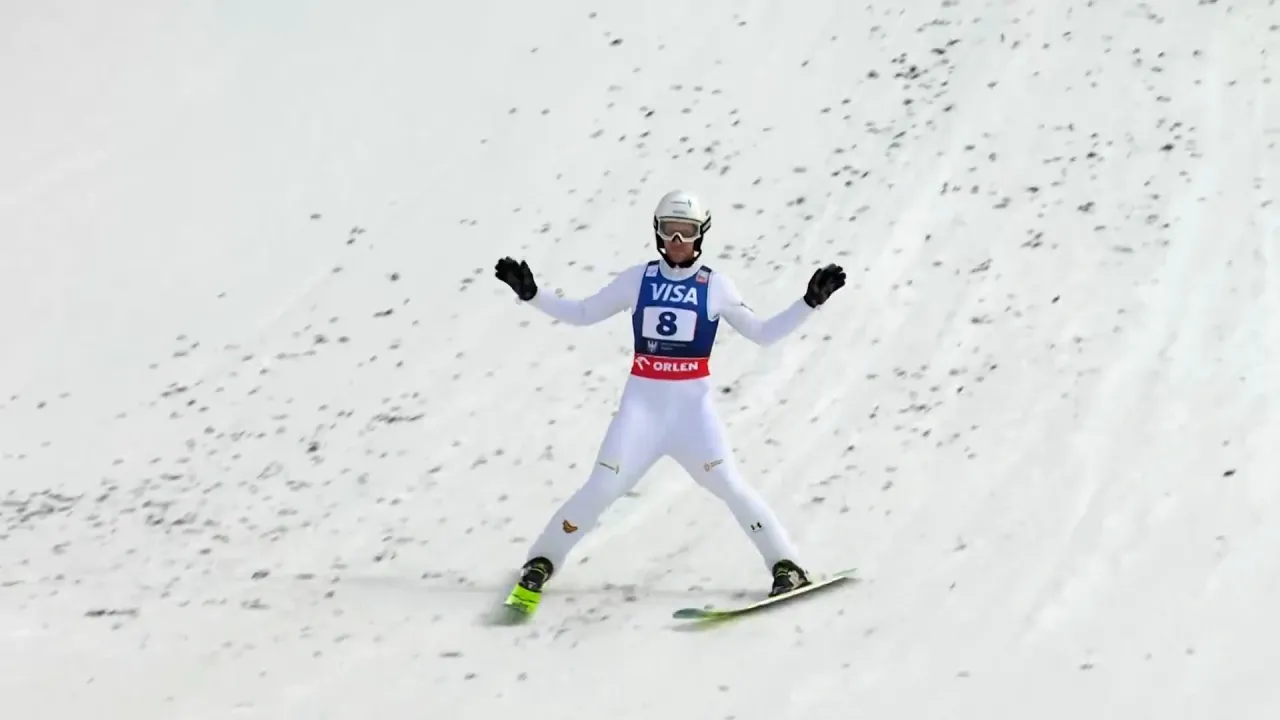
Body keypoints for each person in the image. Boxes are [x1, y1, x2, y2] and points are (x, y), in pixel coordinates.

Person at [493, 189, 846, 610]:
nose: (678, 241)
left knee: (731, 486)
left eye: (687, 233)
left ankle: (786, 566)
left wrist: (810, 303)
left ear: (701, 236)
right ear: (658, 233)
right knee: (602, 487)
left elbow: (763, 333)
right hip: (641, 412)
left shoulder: (715, 285)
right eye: (669, 231)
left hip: (691, 417)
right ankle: (541, 563)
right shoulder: (637, 279)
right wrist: (533, 295)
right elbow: (585, 313)